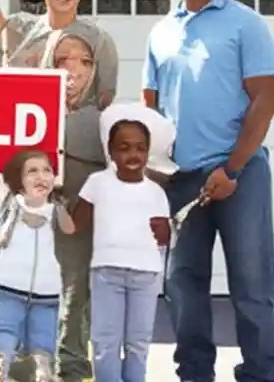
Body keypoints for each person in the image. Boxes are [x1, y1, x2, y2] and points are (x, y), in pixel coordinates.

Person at [0, 0, 118, 382]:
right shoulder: (22, 31)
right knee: (11, 262)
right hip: (24, 169)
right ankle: (12, 363)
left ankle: (72, 363)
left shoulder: (98, 40)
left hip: (77, 169)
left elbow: (105, 104)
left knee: (73, 272)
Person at [142, 0, 274, 382]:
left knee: (252, 283)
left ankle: (260, 372)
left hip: (241, 174)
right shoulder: (161, 32)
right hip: (182, 179)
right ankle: (195, 373)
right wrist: (157, 172)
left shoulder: (246, 24)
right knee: (181, 284)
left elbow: (265, 99)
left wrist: (233, 167)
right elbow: (150, 107)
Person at [72, 106, 174, 382]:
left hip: (146, 274)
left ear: (148, 151)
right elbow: (75, 224)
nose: (133, 155)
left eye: (140, 148)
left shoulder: (155, 192)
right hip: (106, 273)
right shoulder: (97, 183)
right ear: (111, 151)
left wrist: (168, 230)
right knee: (105, 342)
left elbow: (164, 240)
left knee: (138, 343)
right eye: (124, 148)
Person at [0, 149, 77, 382]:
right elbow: (2, 239)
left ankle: (43, 369)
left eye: (47, 171)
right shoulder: (15, 205)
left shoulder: (53, 209)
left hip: (46, 288)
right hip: (9, 284)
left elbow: (70, 229)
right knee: (5, 328)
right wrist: (16, 214)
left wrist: (61, 207)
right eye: (32, 171)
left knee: (43, 334)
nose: (41, 176)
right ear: (20, 182)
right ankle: (2, 365)